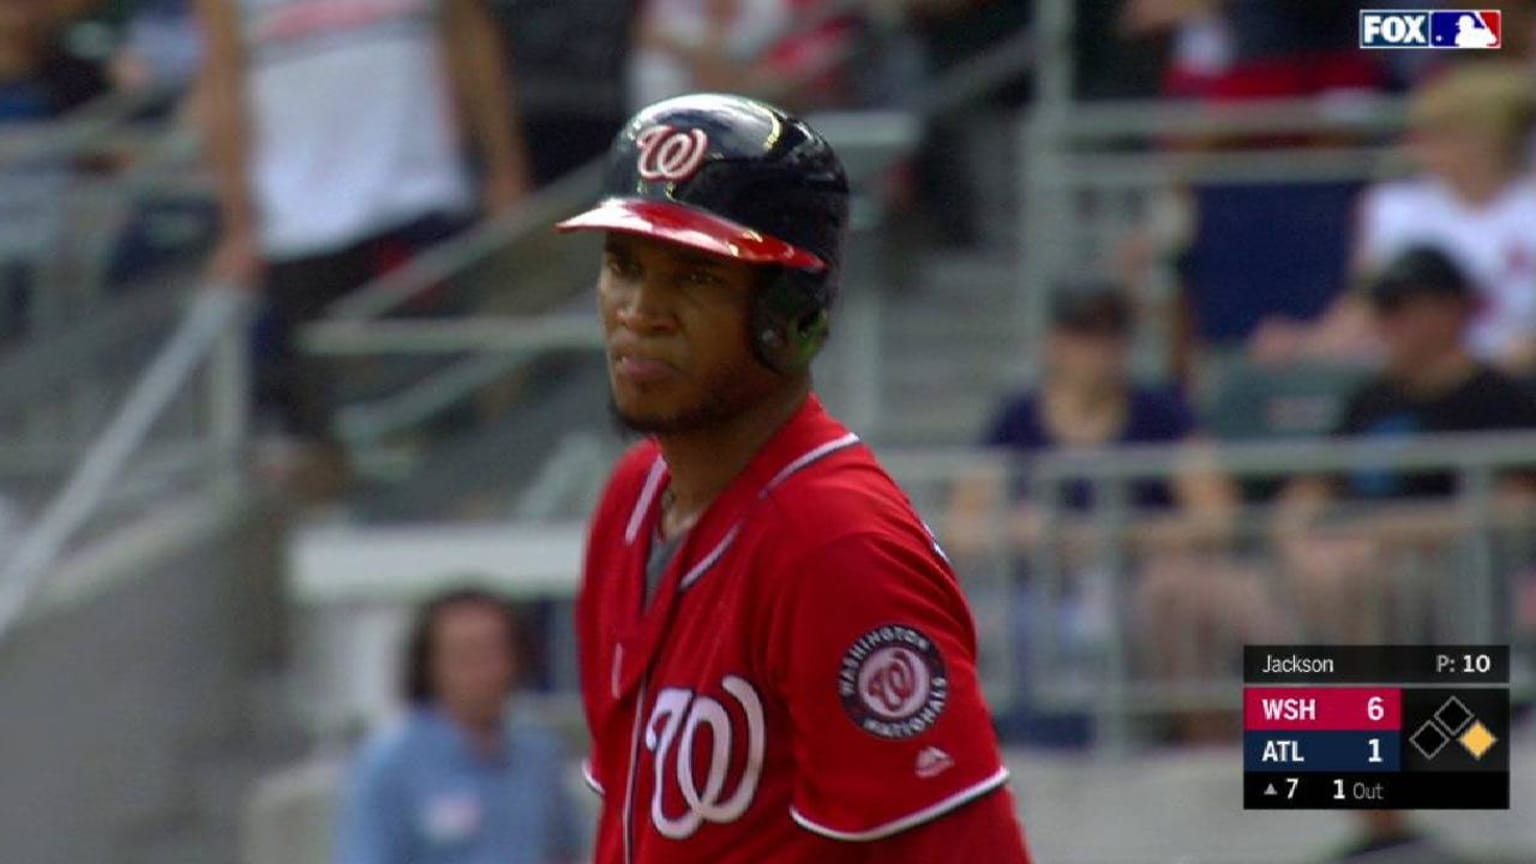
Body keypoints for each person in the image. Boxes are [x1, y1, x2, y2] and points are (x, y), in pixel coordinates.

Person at [558, 93, 1031, 863]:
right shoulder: (633, 497)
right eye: (624, 265)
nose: (641, 310)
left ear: (793, 311)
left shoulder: (837, 546)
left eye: (697, 278)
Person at [193, 0, 533, 498]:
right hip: (297, 214)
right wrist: (239, 222)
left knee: (446, 398)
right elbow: (222, 78)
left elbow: (469, 36)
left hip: (418, 190)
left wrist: (505, 168)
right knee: (312, 421)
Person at [1275, 246, 1536, 862]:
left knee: (1349, 580)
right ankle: (1366, 803)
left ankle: (1377, 805)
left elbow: (1515, 505)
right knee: (1310, 587)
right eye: (1381, 310)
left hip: (1452, 582)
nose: (1387, 325)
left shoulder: (1496, 397)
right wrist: (1303, 540)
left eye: (1402, 308)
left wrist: (1390, 531)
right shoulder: (1371, 399)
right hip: (1352, 578)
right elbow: (1305, 494)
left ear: (1451, 312)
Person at [947, 285, 1256, 744]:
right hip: (1041, 588)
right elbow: (961, 526)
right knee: (1010, 628)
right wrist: (1020, 532)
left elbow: (1219, 516)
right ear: (1055, 342)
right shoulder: (1017, 419)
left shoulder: (1160, 413)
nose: (1100, 350)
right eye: (1084, 334)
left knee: (1187, 600)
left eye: (1113, 335)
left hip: (1141, 581)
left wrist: (1117, 536)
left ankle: (1229, 744)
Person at [1251, 62, 1536, 377]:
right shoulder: (1392, 206)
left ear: (1487, 140)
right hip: (1410, 374)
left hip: (1513, 376)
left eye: (1441, 133)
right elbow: (1367, 306)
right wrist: (1306, 346)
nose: (1417, 147)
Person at [333, 588, 586, 864]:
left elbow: (566, 850)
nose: (482, 671)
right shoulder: (388, 764)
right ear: (430, 664)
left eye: (493, 652)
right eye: (464, 655)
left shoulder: (540, 755)